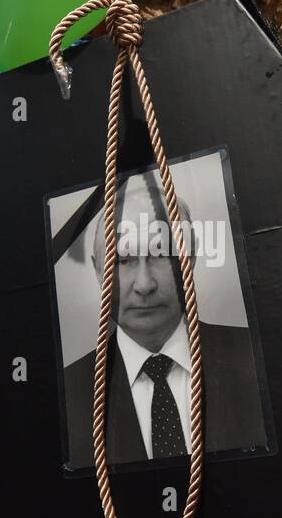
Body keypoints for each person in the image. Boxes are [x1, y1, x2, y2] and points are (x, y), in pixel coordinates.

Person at [62, 170, 268, 470]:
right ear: (97, 270)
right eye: (123, 260)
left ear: (192, 257)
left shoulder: (251, 357)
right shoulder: (73, 393)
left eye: (161, 254)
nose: (144, 285)